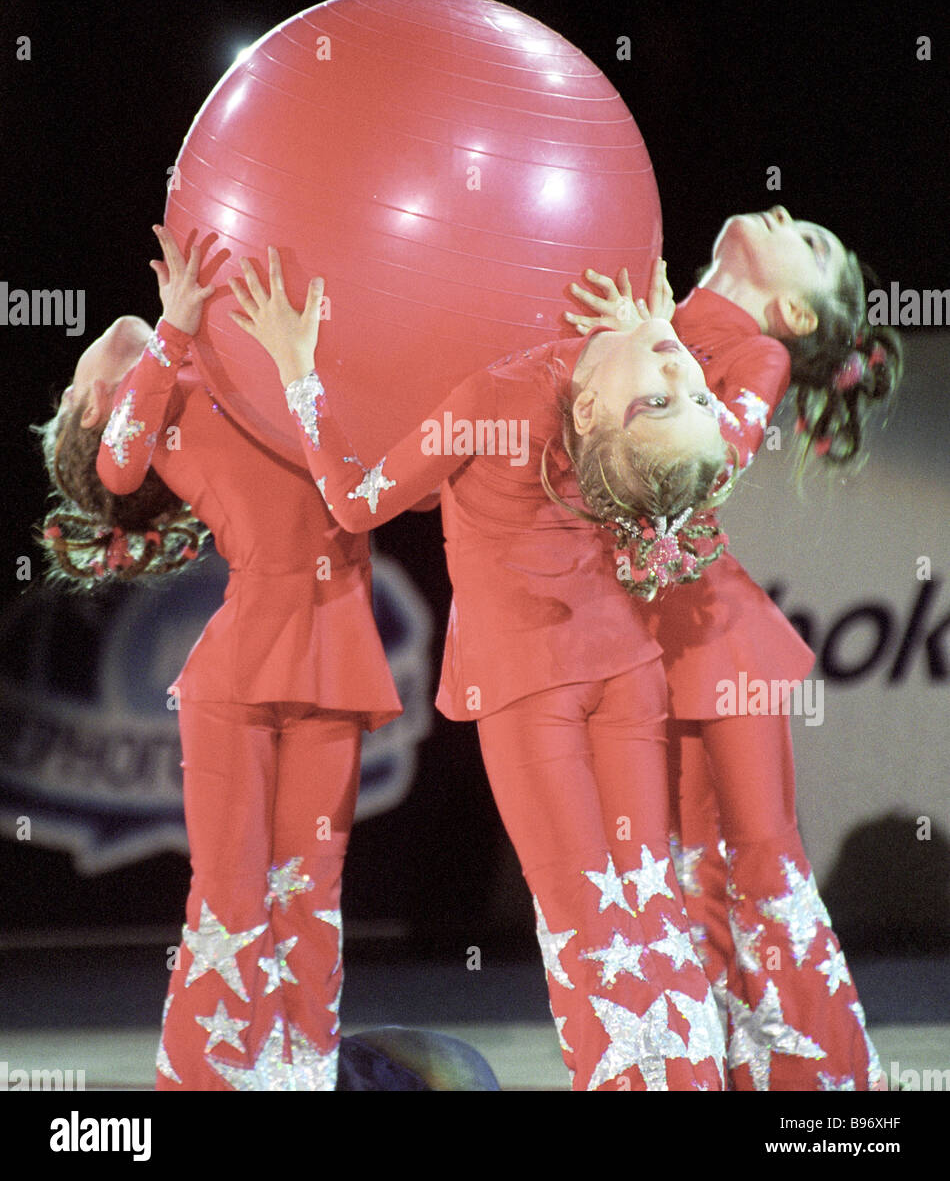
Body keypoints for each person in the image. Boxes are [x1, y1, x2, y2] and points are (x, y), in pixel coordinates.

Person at [228, 246, 735, 1092]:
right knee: (635, 911)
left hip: (536, 685)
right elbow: (651, 364)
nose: (682, 367)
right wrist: (652, 321)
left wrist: (295, 368)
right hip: (610, 671)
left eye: (665, 399)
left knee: (606, 917)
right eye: (694, 394)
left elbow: (356, 504)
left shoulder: (502, 398)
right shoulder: (609, 365)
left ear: (596, 416)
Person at [36, 227, 401, 1091]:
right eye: (73, 384)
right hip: (239, 674)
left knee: (309, 891)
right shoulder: (152, 422)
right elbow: (118, 468)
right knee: (232, 899)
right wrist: (172, 329)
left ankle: (301, 1072)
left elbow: (351, 487)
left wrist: (294, 351)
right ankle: (203, 1081)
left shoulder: (225, 362)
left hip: (334, 646)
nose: (81, 363)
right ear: (94, 408)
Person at [566, 205, 900, 1090]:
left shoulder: (761, 353)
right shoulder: (654, 308)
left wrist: (645, 339)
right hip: (631, 644)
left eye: (814, 243)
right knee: (678, 877)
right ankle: (705, 1069)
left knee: (760, 860)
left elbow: (711, 456)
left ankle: (826, 1091)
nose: (789, 214)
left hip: (716, 643)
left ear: (793, 313)